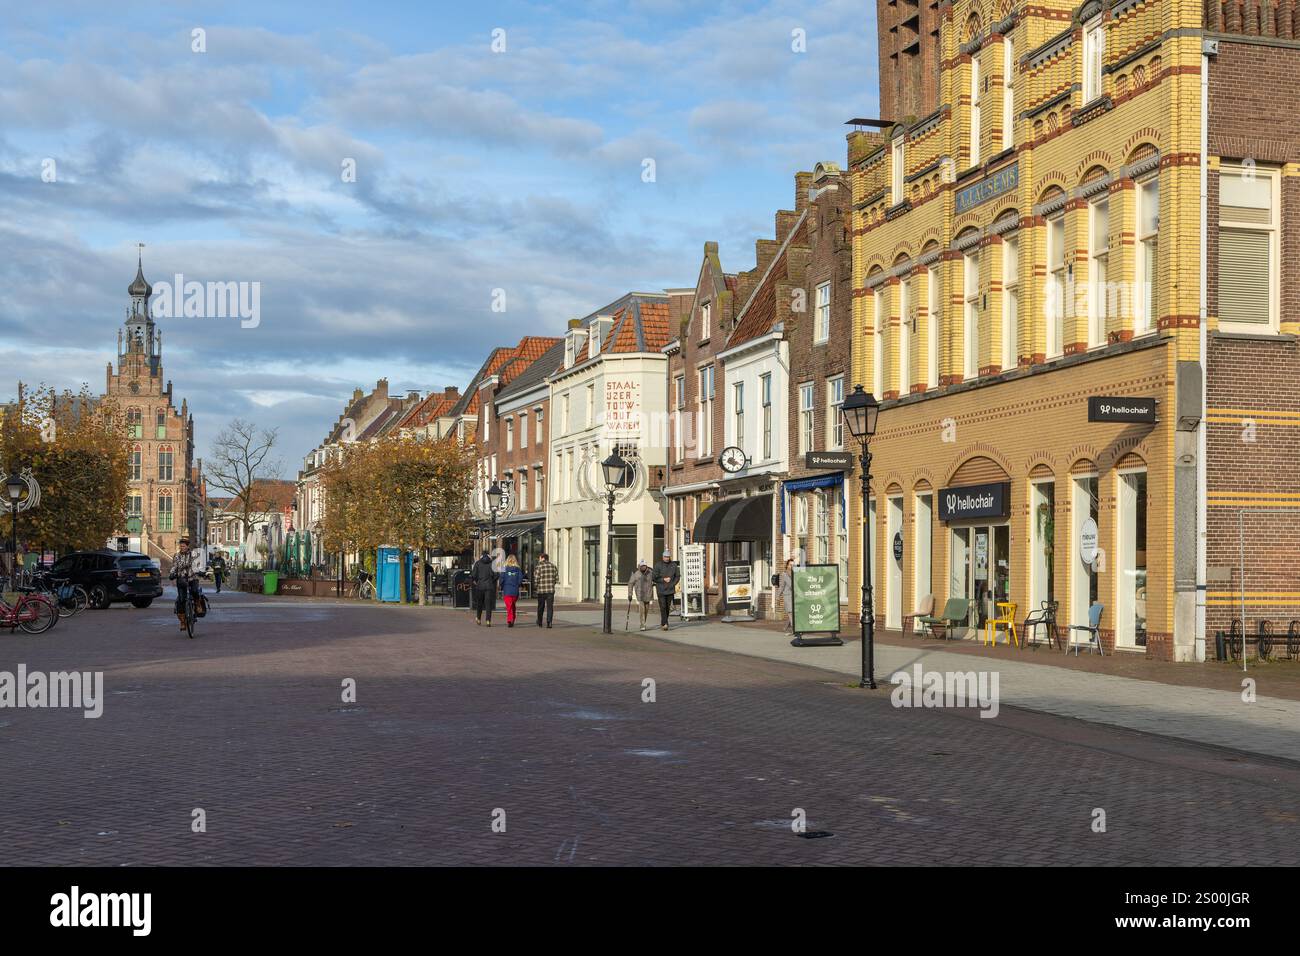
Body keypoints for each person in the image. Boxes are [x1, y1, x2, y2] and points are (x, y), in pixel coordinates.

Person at [169, 537, 203, 631]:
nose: (182, 547)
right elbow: (174, 566)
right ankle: (183, 622)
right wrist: (172, 573)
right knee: (181, 600)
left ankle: (197, 604)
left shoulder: (193, 554)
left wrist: (200, 571)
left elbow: (197, 565)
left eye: (183, 546)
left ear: (187, 546)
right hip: (181, 578)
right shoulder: (177, 555)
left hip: (192, 577)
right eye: (181, 546)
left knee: (195, 590)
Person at [651, 548, 680, 631]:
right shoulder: (658, 565)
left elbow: (677, 576)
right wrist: (663, 579)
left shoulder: (673, 565)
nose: (666, 558)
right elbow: (654, 578)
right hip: (661, 589)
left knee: (667, 607)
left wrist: (673, 583)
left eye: (668, 557)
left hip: (670, 589)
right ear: (662, 557)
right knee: (663, 606)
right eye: (665, 557)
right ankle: (665, 623)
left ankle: (663, 622)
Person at [627, 558, 656, 631]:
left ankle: (644, 622)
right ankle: (642, 624)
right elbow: (630, 583)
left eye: (644, 566)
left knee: (646, 610)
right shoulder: (636, 574)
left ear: (646, 566)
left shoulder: (650, 572)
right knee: (642, 610)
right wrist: (630, 594)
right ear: (639, 566)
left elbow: (656, 579)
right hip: (640, 594)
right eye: (641, 566)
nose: (643, 567)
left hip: (648, 594)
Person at [471, 551, 497, 626]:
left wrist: (475, 581)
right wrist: (492, 581)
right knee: (488, 604)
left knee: (480, 603)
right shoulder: (492, 563)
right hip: (489, 586)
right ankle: (488, 620)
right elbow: (496, 575)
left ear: (481, 555)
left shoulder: (478, 563)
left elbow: (473, 575)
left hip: (480, 586)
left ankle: (478, 618)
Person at [533, 552, 557, 628]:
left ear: (543, 558)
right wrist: (552, 584)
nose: (539, 560)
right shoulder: (553, 566)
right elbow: (556, 578)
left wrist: (536, 586)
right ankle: (549, 622)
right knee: (550, 607)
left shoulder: (539, 567)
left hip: (541, 590)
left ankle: (540, 622)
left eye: (540, 558)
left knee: (541, 606)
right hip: (550, 590)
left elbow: (536, 578)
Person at [499, 554, 523, 627]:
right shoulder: (518, 569)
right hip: (515, 590)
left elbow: (502, 579)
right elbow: (520, 580)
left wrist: (501, 587)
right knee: (512, 605)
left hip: (507, 590)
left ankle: (510, 620)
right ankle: (513, 618)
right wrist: (517, 585)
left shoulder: (504, 569)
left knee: (509, 606)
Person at [777, 557, 795, 634]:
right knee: (790, 612)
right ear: (787, 565)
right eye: (790, 565)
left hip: (795, 596)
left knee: (794, 613)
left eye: (793, 565)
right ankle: (794, 630)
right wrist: (778, 596)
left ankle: (787, 626)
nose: (792, 566)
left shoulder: (796, 573)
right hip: (787, 596)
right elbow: (782, 586)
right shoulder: (784, 575)